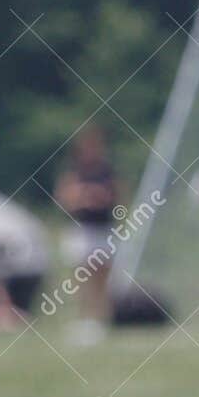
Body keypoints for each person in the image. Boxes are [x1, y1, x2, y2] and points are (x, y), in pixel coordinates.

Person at [53, 124, 123, 341]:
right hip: (81, 229)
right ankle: (84, 318)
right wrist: (83, 197)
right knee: (81, 275)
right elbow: (64, 197)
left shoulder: (106, 171)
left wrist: (99, 197)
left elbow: (117, 196)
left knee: (103, 276)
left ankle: (101, 318)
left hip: (103, 228)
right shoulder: (75, 171)